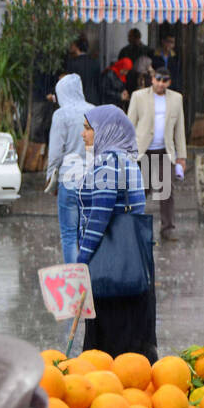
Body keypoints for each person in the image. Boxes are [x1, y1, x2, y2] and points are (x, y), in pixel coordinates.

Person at [77, 105, 157, 360]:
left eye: (89, 128)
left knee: (105, 356)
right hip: (131, 270)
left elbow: (98, 221)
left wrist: (80, 262)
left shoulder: (108, 165)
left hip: (110, 276)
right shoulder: (127, 161)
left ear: (105, 131)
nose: (83, 134)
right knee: (133, 355)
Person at [128, 66, 186, 241]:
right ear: (152, 79)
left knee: (166, 191)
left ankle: (167, 228)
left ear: (169, 82)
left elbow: (179, 129)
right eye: (158, 79)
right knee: (139, 191)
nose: (161, 83)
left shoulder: (176, 99)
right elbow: (130, 124)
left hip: (164, 152)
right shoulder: (138, 97)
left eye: (165, 80)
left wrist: (181, 156)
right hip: (143, 152)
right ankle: (132, 226)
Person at [47, 73, 92, 264]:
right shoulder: (94, 111)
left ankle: (75, 281)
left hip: (69, 179)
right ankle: (91, 277)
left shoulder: (60, 115)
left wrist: (51, 177)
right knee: (89, 234)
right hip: (92, 180)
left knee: (68, 235)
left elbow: (56, 151)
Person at [64, 36, 102, 104]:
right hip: (94, 100)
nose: (70, 46)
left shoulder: (72, 63)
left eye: (72, 44)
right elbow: (99, 83)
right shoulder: (95, 62)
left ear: (76, 46)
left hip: (78, 101)